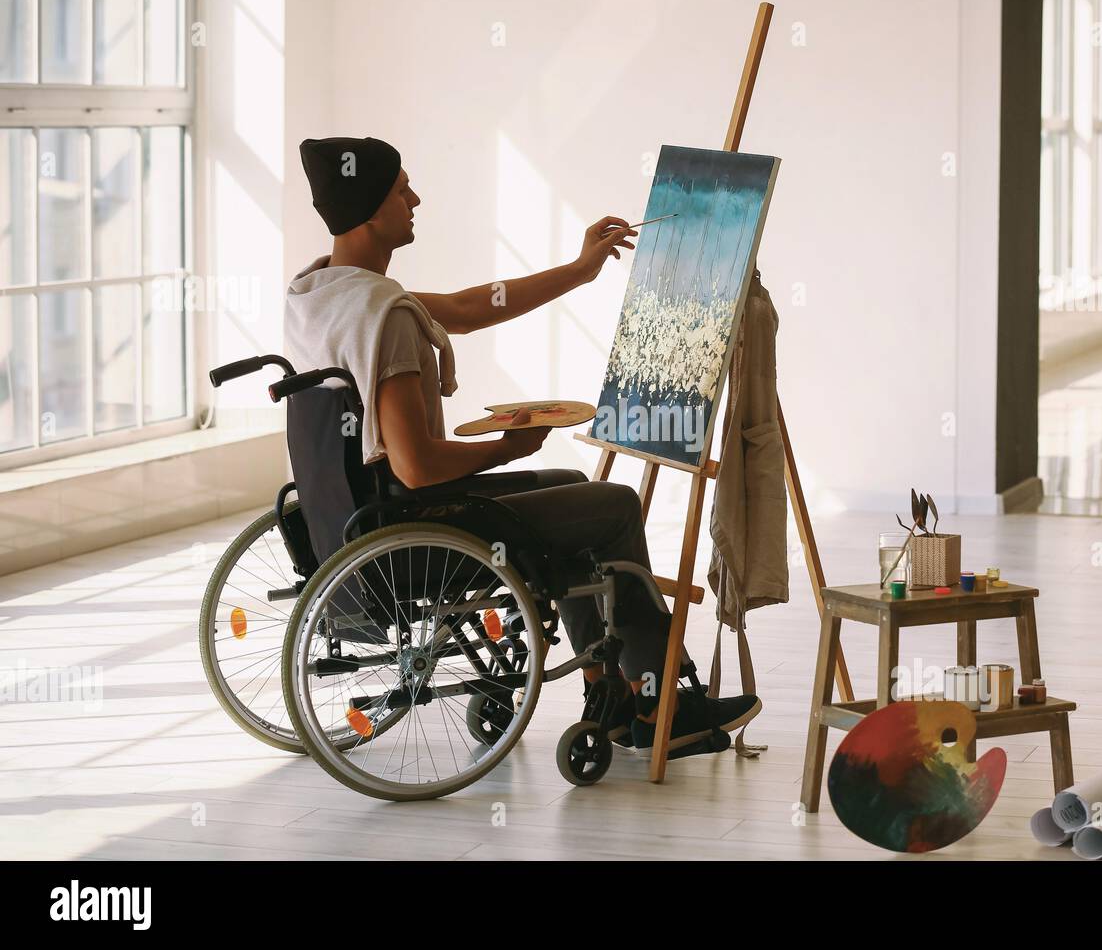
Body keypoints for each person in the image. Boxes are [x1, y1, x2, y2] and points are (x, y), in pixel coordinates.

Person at [284, 136, 758, 756]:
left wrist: (581, 269)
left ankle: (605, 684)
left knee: (570, 488)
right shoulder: (386, 318)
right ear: (374, 208)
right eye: (403, 189)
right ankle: (659, 700)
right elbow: (420, 465)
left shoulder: (321, 294)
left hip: (356, 514)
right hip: (414, 522)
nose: (415, 198)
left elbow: (463, 306)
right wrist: (510, 448)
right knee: (612, 506)